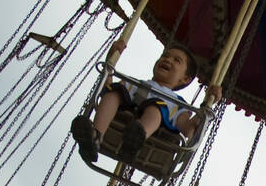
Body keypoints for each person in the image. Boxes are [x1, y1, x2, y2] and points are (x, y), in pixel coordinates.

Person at [70, 40, 211, 164]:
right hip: (125, 111)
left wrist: (206, 106)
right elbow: (106, 87)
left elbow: (187, 128)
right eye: (165, 56)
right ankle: (95, 135)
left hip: (153, 128)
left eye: (176, 60)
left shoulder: (178, 104)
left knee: (156, 107)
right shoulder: (133, 84)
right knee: (114, 91)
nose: (168, 60)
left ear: (185, 78)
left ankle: (136, 139)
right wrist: (111, 59)